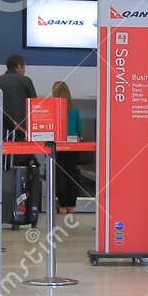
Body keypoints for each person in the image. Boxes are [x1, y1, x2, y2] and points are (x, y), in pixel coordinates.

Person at [50, 81, 84, 213]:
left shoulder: (53, 107)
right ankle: (72, 205)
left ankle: (62, 205)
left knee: (59, 175)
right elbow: (79, 129)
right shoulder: (74, 109)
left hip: (57, 146)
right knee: (72, 174)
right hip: (73, 146)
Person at [0, 54, 38, 138]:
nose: (24, 70)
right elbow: (35, 104)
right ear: (19, 66)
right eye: (24, 67)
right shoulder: (25, 81)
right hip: (21, 131)